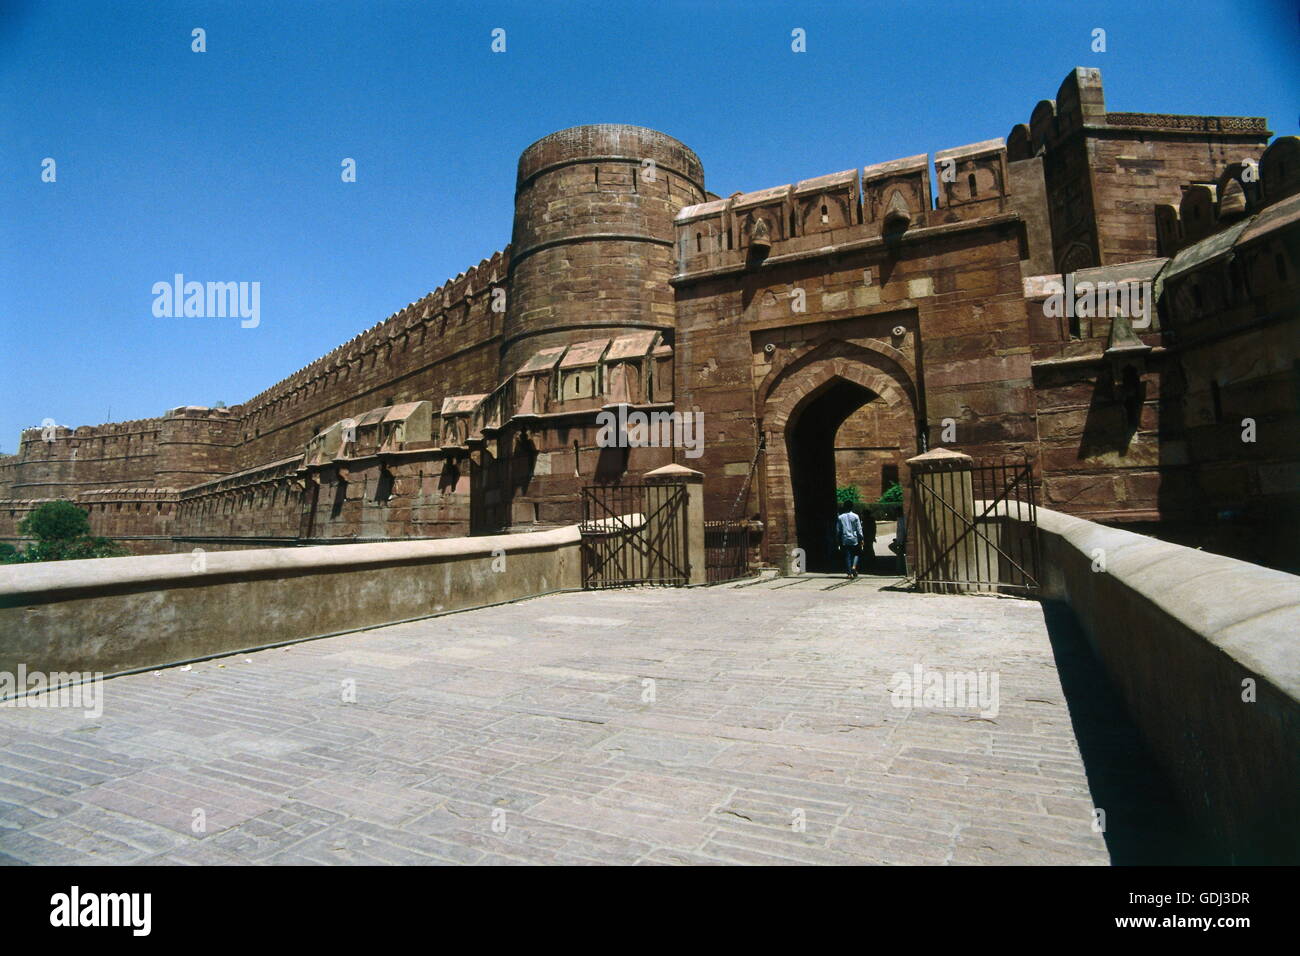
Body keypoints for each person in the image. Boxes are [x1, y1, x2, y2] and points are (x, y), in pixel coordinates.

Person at [835, 500, 864, 579]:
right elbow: (859, 529)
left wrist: (838, 539)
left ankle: (849, 573)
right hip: (854, 538)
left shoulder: (840, 517)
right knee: (856, 553)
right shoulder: (855, 516)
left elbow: (838, 530)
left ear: (844, 507)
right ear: (852, 507)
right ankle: (854, 567)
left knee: (847, 555)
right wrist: (861, 538)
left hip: (845, 538)